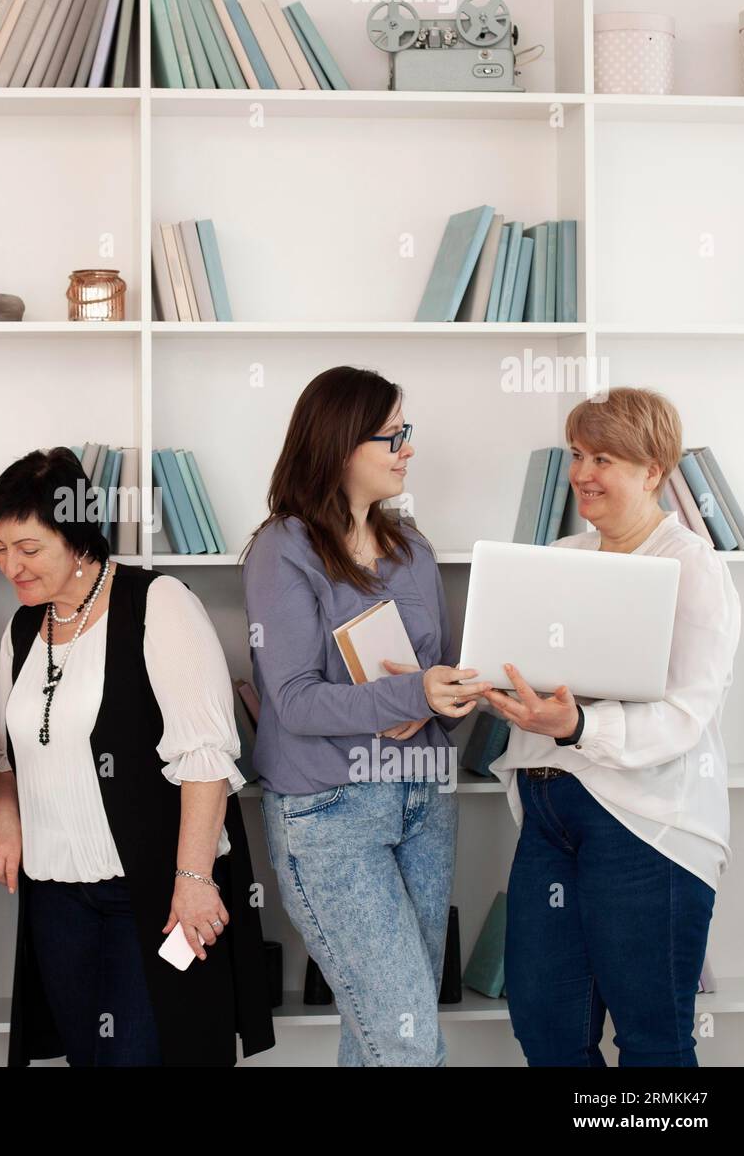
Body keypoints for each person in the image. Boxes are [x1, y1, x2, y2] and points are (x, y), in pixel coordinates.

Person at [0, 447, 274, 1066]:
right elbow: (5, 750)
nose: (10, 566)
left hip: (149, 896)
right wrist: (4, 816)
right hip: (55, 897)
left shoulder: (156, 603)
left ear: (78, 535)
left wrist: (193, 880)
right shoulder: (23, 628)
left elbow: (205, 757)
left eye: (28, 549)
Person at [483, 387, 740, 1067]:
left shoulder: (690, 566)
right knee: (545, 1027)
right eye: (576, 454)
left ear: (653, 471)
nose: (581, 473)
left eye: (604, 458)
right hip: (548, 812)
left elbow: (686, 714)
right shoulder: (561, 554)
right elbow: (530, 681)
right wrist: (468, 686)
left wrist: (578, 728)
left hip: (642, 824)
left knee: (653, 1043)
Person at [242, 366, 490, 1066]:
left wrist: (444, 697)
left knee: (377, 1032)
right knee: (408, 1043)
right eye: (393, 435)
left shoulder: (411, 550)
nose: (408, 448)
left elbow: (437, 674)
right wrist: (412, 697)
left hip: (423, 800)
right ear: (343, 444)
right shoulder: (281, 549)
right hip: (330, 813)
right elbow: (291, 699)